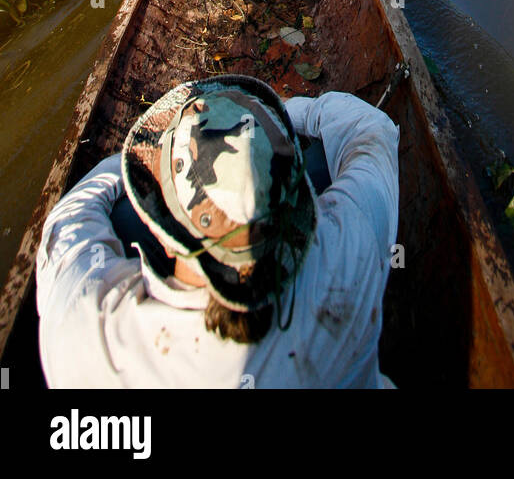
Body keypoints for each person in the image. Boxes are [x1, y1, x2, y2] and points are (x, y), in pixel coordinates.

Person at [36, 76, 400, 388]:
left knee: (118, 215)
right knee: (323, 155)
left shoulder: (90, 336)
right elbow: (371, 129)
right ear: (290, 217)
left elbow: (69, 217)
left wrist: (149, 155)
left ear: (165, 231)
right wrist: (276, 122)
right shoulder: (352, 246)